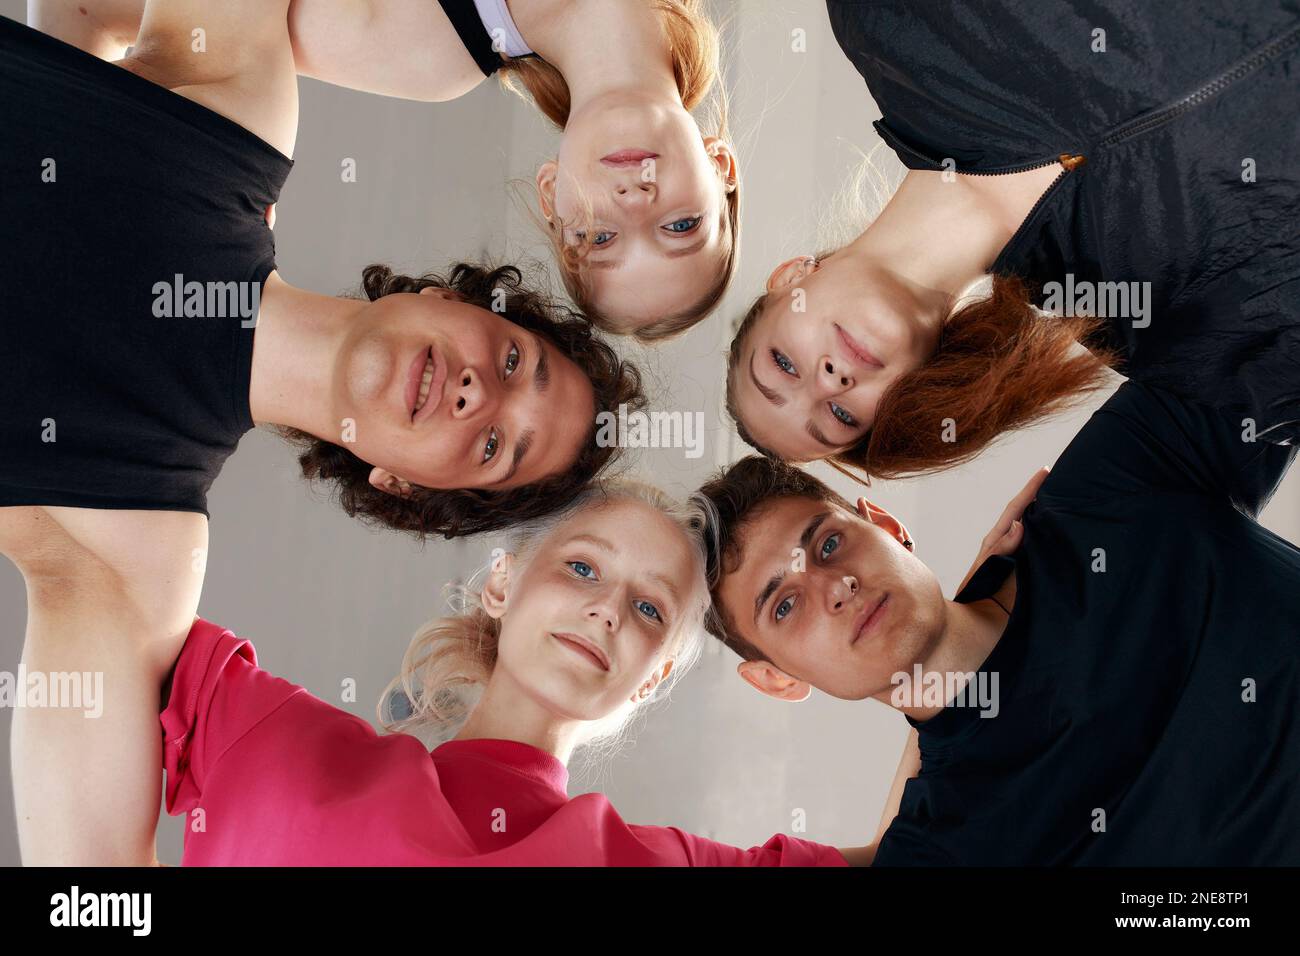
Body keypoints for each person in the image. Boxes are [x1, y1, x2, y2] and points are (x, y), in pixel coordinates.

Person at [21, 481, 865, 865]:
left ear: (650, 679)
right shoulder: (276, 740)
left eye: (649, 611)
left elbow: (930, 850)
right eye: (581, 568)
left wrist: (961, 622)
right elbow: (84, 567)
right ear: (502, 583)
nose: (608, 609)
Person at [695, 380, 1300, 863]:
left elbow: (1270, 319)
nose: (834, 588)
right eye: (784, 605)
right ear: (777, 679)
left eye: (828, 545)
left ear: (884, 524)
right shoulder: (944, 848)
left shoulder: (1099, 497)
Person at [727, 0, 1300, 478]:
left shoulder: (888, 22)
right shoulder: (1150, 330)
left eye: (781, 364)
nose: (829, 383)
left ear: (790, 278)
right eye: (841, 418)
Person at [43, 0, 741, 340]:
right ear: (720, 165)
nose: (634, 202)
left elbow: (91, 8)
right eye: (681, 224)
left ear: (553, 196)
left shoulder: (428, 52)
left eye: (602, 240)